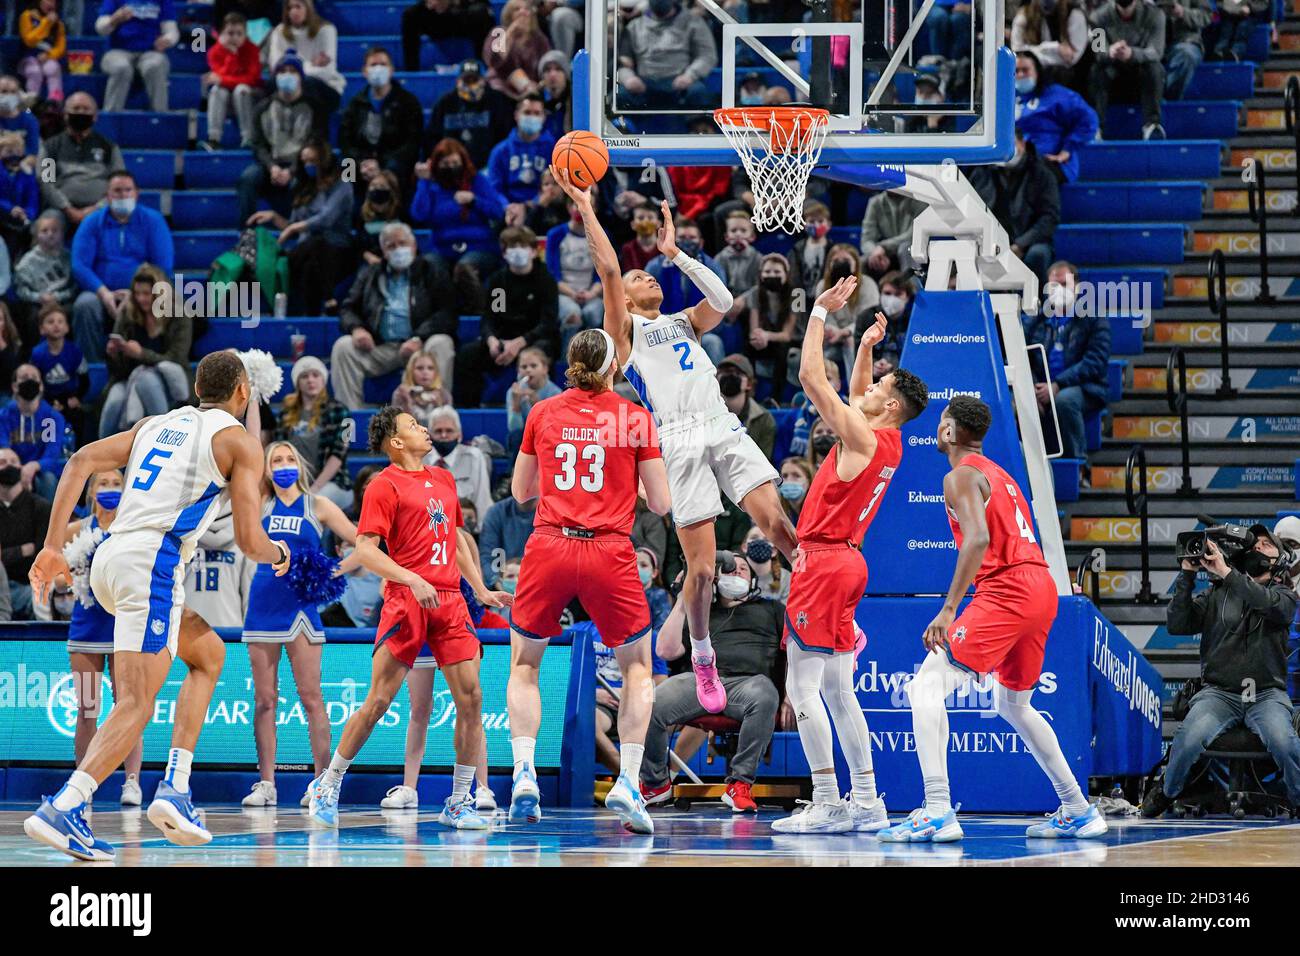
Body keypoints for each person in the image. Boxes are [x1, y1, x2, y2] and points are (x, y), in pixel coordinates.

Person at [25, 351, 291, 861]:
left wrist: (54, 546)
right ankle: (66, 807)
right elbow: (249, 539)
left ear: (196, 387)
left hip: (108, 560)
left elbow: (79, 460)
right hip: (153, 563)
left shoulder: (154, 424)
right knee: (136, 703)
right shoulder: (239, 440)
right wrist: (279, 554)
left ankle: (175, 787)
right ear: (243, 392)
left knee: (208, 655)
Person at [558, 171, 800, 720]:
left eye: (651, 274)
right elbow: (608, 268)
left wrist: (677, 254)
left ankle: (829, 615)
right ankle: (704, 653)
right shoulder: (623, 334)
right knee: (703, 571)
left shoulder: (684, 321)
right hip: (679, 436)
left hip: (720, 421)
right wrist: (587, 207)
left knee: (782, 529)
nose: (647, 277)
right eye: (642, 273)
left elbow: (725, 297)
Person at [879, 396, 1107, 842]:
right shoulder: (999, 472)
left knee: (924, 687)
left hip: (1008, 587)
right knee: (1013, 704)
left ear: (951, 431)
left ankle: (939, 809)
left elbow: (978, 539)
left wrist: (948, 610)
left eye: (943, 422)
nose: (939, 428)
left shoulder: (960, 474)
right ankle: (1078, 808)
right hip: (1039, 586)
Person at [306, 407, 510, 829]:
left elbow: (453, 540)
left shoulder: (444, 479)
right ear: (396, 442)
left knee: (471, 699)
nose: (421, 428)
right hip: (407, 598)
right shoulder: (384, 485)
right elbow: (364, 549)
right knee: (379, 701)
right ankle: (329, 783)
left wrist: (480, 589)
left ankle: (458, 801)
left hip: (450, 599)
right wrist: (410, 578)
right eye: (412, 425)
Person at [505, 327, 672, 831]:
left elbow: (519, 492)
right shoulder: (635, 419)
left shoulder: (542, 412)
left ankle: (524, 773)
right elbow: (662, 504)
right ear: (613, 366)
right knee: (639, 667)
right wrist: (630, 492)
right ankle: (628, 781)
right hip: (609, 550)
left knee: (525, 665)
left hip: (551, 542)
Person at [773, 297, 928, 833]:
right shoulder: (891, 440)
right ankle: (866, 799)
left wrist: (817, 311)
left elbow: (810, 376)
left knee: (802, 689)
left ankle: (827, 800)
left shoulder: (861, 434)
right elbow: (861, 395)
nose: (868, 391)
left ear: (890, 408)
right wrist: (864, 348)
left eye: (881, 389)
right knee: (840, 691)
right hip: (849, 564)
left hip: (821, 564)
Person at [1142, 525, 1300, 816]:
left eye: (1267, 544)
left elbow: (1267, 604)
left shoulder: (1284, 595)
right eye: (1255, 544)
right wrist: (1187, 574)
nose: (1258, 547)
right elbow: (1178, 624)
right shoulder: (1219, 592)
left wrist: (1227, 573)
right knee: (1188, 737)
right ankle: (1167, 792)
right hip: (1220, 693)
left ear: (1280, 558)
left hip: (1266, 694)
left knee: (1285, 742)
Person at [240, 441, 358, 809]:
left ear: (300, 466)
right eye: (277, 460)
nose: (284, 465)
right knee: (264, 700)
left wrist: (330, 571)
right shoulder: (259, 504)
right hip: (262, 603)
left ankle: (322, 783)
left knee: (311, 697)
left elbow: (364, 541)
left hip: (302, 608)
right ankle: (266, 783)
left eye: (290, 458)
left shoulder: (316, 505)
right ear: (267, 468)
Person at [641, 549, 786, 812]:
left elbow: (793, 654)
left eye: (743, 569)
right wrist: (686, 597)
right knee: (652, 700)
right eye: (730, 569)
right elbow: (665, 650)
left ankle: (739, 784)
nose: (736, 572)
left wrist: (790, 696)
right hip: (701, 683)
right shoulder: (702, 609)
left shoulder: (771, 609)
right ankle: (655, 784)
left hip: (748, 685)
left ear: (753, 580)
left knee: (766, 694)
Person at [60, 469, 144, 806]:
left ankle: (132, 782)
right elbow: (59, 580)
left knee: (130, 705)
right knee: (87, 707)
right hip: (86, 628)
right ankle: (83, 785)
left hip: (125, 625)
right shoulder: (75, 530)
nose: (110, 490)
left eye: (116, 484)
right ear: (91, 492)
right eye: (103, 484)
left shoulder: (134, 528)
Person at [331, 221, 459, 412]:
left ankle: (437, 415)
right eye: (391, 246)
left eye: (402, 243)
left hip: (419, 348)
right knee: (343, 346)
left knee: (441, 342)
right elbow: (347, 308)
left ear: (414, 245)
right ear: (383, 251)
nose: (398, 249)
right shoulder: (370, 274)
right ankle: (350, 421)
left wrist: (419, 338)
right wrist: (357, 329)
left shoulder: (432, 271)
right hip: (380, 347)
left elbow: (448, 312)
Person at [70, 170, 174, 362]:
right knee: (84, 305)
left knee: (156, 303)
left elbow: (163, 266)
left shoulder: (153, 221)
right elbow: (79, 265)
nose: (123, 195)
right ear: (107, 195)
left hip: (144, 290)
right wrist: (103, 292)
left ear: (136, 193)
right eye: (117, 191)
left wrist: (136, 294)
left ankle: (146, 361)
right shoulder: (91, 222)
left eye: (128, 190)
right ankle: (93, 368)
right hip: (99, 292)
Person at [452, 226, 560, 405]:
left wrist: (520, 343)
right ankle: (469, 407)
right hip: (504, 339)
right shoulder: (499, 281)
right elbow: (492, 316)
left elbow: (547, 322)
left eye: (523, 246)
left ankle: (544, 406)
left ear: (534, 251)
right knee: (468, 354)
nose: (517, 251)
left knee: (540, 352)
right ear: (504, 253)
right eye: (512, 246)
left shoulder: (545, 281)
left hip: (534, 339)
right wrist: (492, 340)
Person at [247, 138, 353, 316]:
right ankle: (328, 301)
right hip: (305, 250)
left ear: (324, 160)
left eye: (313, 161)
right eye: (304, 162)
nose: (308, 166)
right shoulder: (301, 186)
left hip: (336, 250)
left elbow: (326, 219)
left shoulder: (342, 186)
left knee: (314, 255)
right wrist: (274, 217)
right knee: (312, 249)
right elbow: (292, 225)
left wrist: (293, 229)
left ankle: (309, 317)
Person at [1022, 260, 1110, 461]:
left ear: (1077, 287)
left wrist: (1057, 385)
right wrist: (1032, 389)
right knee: (1017, 401)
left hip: (1085, 388)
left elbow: (1094, 362)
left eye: (1064, 285)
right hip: (1042, 388)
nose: (1058, 291)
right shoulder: (1037, 320)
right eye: (1053, 286)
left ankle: (1077, 466)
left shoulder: (1094, 318)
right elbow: (1021, 355)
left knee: (1064, 400)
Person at [410, 137, 507, 311]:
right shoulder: (432, 186)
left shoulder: (477, 181)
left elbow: (498, 212)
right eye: (445, 164)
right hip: (443, 248)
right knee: (429, 263)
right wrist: (423, 182)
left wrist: (474, 201)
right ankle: (445, 311)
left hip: (479, 247)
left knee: (464, 267)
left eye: (455, 162)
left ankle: (481, 310)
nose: (451, 168)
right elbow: (419, 214)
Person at [99, 265, 191, 439]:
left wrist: (141, 354)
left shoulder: (179, 313)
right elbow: (118, 371)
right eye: (137, 293)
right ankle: (102, 460)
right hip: (127, 378)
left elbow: (176, 359)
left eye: (147, 294)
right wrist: (114, 354)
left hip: (170, 380)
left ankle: (163, 441)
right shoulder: (128, 313)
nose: (141, 299)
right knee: (114, 401)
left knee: (146, 380)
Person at [238, 50, 325, 227]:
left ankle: (295, 228)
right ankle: (247, 232)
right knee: (247, 178)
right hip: (272, 164)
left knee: (300, 182)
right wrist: (272, 167)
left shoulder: (314, 108)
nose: (287, 75)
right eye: (282, 71)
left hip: (301, 165)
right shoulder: (262, 108)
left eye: (292, 71)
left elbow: (317, 144)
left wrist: (292, 170)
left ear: (300, 77)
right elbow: (258, 145)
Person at [966, 130, 1061, 283]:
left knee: (1038, 255)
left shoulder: (1042, 172)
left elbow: (1049, 217)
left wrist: (1020, 245)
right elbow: (971, 211)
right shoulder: (982, 172)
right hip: (989, 240)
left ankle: (1039, 302)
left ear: (1022, 144)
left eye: (1010, 144)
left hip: (1030, 242)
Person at [272, 356, 353, 510]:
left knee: (315, 504)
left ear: (323, 380)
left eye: (315, 375)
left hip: (334, 484)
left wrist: (314, 489)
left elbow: (339, 455)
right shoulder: (285, 414)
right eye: (304, 376)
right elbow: (278, 451)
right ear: (297, 383)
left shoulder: (342, 411)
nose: (310, 380)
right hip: (295, 484)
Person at [339, 46, 424, 187]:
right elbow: (345, 141)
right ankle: (349, 206)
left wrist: (382, 166)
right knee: (347, 169)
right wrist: (361, 163)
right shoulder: (355, 104)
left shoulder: (408, 102)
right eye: (373, 65)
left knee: (400, 168)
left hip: (393, 164)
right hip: (361, 164)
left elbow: (412, 142)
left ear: (391, 70)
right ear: (364, 71)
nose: (378, 68)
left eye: (383, 64)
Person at [37, 93, 124, 230]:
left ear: (95, 116)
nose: (81, 113)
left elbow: (120, 182)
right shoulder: (51, 146)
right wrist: (67, 208)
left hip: (100, 209)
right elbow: (46, 181)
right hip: (61, 210)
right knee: (48, 225)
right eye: (76, 109)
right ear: (66, 114)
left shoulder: (109, 147)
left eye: (86, 109)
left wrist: (97, 208)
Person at [1013, 50, 1099, 183]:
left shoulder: (1058, 96)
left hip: (1051, 162)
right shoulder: (1004, 99)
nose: (1020, 75)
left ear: (1037, 71)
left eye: (1025, 70)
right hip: (1013, 161)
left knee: (1030, 175)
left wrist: (1067, 149)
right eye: (1016, 71)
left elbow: (1088, 120)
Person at [1088, 0, 1168, 140]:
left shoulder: (1156, 15)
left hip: (1140, 72)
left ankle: (1152, 124)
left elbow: (1156, 51)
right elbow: (1098, 52)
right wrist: (1110, 51)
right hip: (1113, 72)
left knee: (1154, 68)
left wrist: (1132, 54)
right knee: (1097, 70)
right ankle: (1096, 127)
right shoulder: (1097, 17)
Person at [616, 0, 717, 110]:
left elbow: (707, 56)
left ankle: (700, 127)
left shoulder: (694, 23)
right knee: (621, 95)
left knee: (698, 93)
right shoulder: (634, 27)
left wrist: (690, 75)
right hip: (644, 84)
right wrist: (628, 78)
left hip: (681, 82)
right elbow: (623, 62)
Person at [422, 59, 515, 171]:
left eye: (474, 80)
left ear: (483, 81)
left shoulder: (497, 101)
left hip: (488, 166)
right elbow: (432, 138)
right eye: (466, 80)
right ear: (458, 82)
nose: (471, 85)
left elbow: (505, 137)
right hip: (452, 166)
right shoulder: (445, 103)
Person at [1, 363, 71, 501]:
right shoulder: (3, 416)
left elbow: (51, 456)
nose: (30, 380)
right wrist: (17, 468)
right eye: (24, 377)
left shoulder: (52, 418)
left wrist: (33, 466)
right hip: (11, 466)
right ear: (14, 386)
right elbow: (4, 450)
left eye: (34, 377)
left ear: (41, 386)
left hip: (41, 471)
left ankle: (49, 521)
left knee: (48, 479)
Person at [267, 0, 344, 116]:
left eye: (298, 7)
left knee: (308, 83)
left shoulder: (327, 30)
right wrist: (310, 65)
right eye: (290, 8)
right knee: (270, 84)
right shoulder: (278, 31)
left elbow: (328, 71)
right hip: (288, 84)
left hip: (325, 86)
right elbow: (276, 67)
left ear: (308, 7)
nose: (293, 11)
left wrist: (293, 67)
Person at [96, 0, 176, 112]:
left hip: (150, 51)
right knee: (121, 68)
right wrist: (114, 20)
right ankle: (111, 116)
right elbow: (100, 29)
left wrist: (167, 40)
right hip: (117, 50)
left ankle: (160, 116)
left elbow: (171, 31)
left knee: (155, 66)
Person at [0, 445, 50, 618]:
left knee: (41, 599)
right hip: (1, 585)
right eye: (3, 462)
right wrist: (22, 550)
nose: (9, 466)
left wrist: (7, 554)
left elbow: (41, 554)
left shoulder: (41, 507)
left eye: (14, 461)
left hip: (31, 585)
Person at [29, 302, 88, 445]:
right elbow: (34, 384)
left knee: (79, 417)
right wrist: (47, 403)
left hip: (69, 398)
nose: (56, 325)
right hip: (47, 399)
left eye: (60, 321)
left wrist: (77, 398)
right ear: (42, 329)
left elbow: (85, 380)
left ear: (67, 327)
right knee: (44, 418)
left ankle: (79, 452)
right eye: (50, 322)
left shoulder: (75, 352)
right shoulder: (37, 354)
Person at [548, 197, 604, 348]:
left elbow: (603, 274)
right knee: (572, 314)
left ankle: (595, 361)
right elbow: (553, 273)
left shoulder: (601, 236)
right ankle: (566, 363)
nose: (580, 209)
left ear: (595, 209)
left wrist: (591, 293)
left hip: (592, 293)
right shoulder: (556, 235)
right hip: (564, 292)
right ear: (568, 207)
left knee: (593, 313)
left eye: (586, 205)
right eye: (576, 205)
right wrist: (572, 294)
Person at [13, 212, 77, 345]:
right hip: (38, 302)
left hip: (64, 299)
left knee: (76, 310)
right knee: (33, 316)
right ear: (37, 235)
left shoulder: (70, 257)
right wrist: (38, 297)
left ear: (62, 234)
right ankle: (36, 353)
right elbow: (21, 290)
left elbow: (75, 286)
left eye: (55, 230)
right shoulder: (26, 263)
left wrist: (58, 297)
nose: (50, 234)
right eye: (44, 231)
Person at [203, 12, 263, 149]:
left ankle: (248, 138)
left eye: (239, 33)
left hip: (249, 96)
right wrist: (231, 56)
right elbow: (218, 77)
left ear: (246, 34)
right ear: (222, 34)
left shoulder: (252, 50)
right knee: (217, 90)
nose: (235, 38)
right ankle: (214, 139)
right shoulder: (214, 52)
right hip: (226, 98)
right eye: (230, 33)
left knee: (241, 89)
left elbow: (252, 79)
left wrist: (223, 80)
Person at [742, 253, 799, 398]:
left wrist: (765, 335)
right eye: (767, 272)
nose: (771, 275)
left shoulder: (799, 294)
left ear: (786, 274)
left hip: (793, 341)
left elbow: (787, 335)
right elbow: (754, 330)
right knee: (749, 348)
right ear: (761, 275)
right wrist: (757, 339)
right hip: (767, 338)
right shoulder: (755, 293)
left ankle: (776, 399)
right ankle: (750, 395)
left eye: (777, 272)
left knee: (782, 351)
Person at [425, 406, 493, 518]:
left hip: (464, 527)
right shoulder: (418, 459)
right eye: (438, 431)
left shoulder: (474, 457)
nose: (444, 435)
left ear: (459, 435)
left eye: (449, 431)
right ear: (430, 435)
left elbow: (482, 500)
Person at [482, 0, 552, 100]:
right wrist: (510, 32)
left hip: (530, 89)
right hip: (501, 87)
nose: (522, 12)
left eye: (526, 9)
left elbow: (547, 65)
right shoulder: (499, 32)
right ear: (509, 15)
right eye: (517, 9)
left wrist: (537, 84)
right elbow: (493, 60)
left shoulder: (539, 38)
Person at [401, 0, 494, 73]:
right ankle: (413, 74)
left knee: (480, 12)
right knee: (410, 14)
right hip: (436, 24)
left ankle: (486, 69)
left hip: (465, 20)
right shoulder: (418, 11)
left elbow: (486, 9)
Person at [1011, 0, 1088, 86]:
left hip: (1070, 79)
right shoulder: (1024, 15)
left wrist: (1032, 53)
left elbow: (1071, 58)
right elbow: (1017, 52)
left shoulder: (1074, 14)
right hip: (1032, 77)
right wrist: (1055, 48)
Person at [716, 354, 776, 461]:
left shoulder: (764, 419)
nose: (730, 376)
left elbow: (763, 462)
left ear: (749, 384)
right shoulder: (706, 413)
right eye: (725, 372)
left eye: (737, 373)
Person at [506, 345, 560, 454]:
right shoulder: (513, 392)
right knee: (516, 436)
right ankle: (514, 470)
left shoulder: (556, 393)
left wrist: (537, 405)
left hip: (547, 437)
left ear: (545, 369)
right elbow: (513, 428)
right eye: (524, 367)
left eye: (533, 366)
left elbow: (554, 428)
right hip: (522, 439)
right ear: (518, 371)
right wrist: (516, 406)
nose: (528, 370)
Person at [859, 192, 925, 280]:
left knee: (906, 249)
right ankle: (864, 292)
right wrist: (874, 253)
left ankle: (913, 288)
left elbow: (913, 235)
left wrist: (883, 247)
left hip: (911, 248)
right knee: (862, 261)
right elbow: (867, 240)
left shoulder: (919, 201)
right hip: (884, 254)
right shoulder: (875, 202)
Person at [477, 491, 536, 589]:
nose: (528, 486)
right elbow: (487, 556)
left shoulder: (552, 514)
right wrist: (497, 582)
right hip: (502, 585)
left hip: (537, 586)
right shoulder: (496, 512)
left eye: (535, 479)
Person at [19, 0, 68, 103]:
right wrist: (46, 23)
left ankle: (54, 103)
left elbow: (61, 48)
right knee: (34, 71)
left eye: (53, 1)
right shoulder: (27, 16)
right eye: (47, 0)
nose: (50, 4)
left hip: (48, 58)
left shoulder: (59, 24)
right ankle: (31, 104)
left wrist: (49, 55)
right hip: (28, 58)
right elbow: (29, 40)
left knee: (53, 68)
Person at [1162, 0, 1212, 99]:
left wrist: (1183, 13)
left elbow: (1207, 16)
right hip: (1150, 43)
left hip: (1184, 41)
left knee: (1186, 54)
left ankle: (1162, 98)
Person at [392, 350, 451, 432]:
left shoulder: (443, 393)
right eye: (420, 368)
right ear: (411, 371)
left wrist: (439, 406)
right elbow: (400, 428)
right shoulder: (401, 393)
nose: (425, 372)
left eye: (430, 368)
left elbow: (448, 427)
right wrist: (408, 400)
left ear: (436, 372)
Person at [777, 456, 814, 526]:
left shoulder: (819, 513)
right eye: (785, 476)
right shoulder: (778, 513)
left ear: (808, 481)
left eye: (796, 476)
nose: (789, 481)